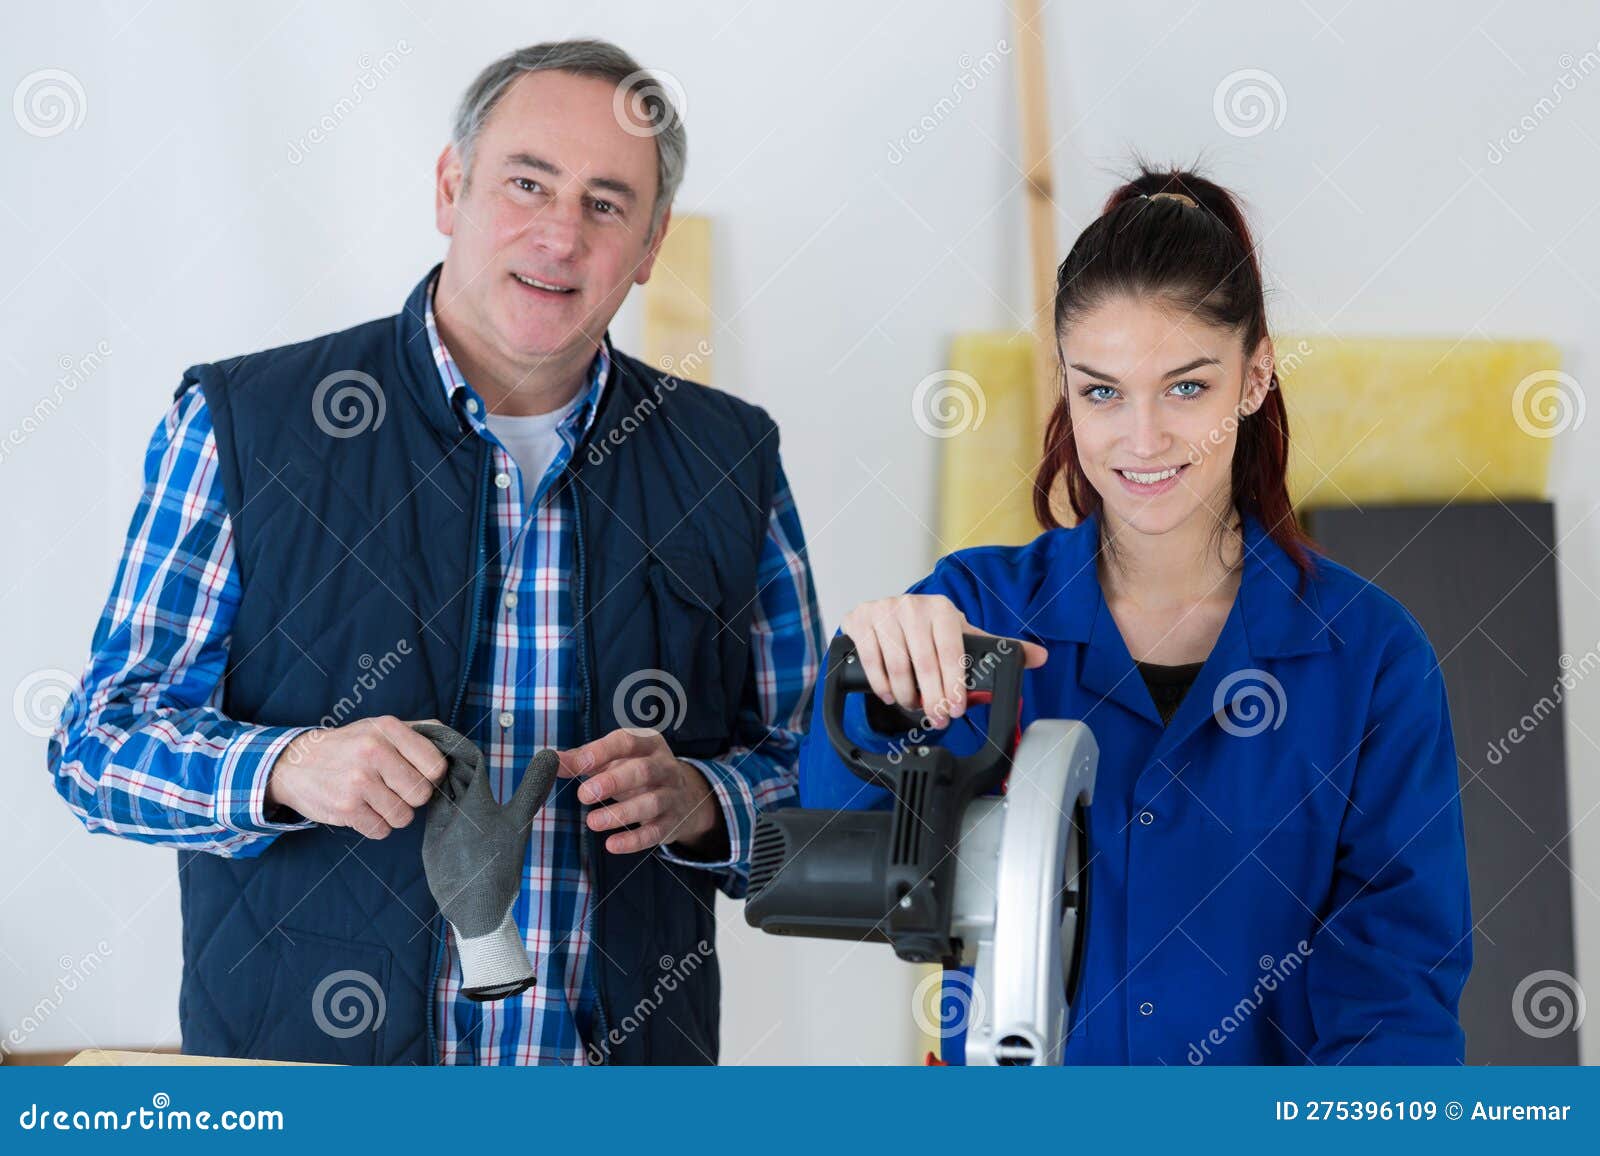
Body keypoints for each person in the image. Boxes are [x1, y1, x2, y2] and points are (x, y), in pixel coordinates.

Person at [48, 38, 822, 1065]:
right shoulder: (246, 424)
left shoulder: (729, 460)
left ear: (649, 245)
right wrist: (285, 767)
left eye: (604, 204)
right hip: (312, 1090)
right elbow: (97, 745)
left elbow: (819, 786)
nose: (558, 236)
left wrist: (702, 801)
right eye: (527, 183)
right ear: (451, 188)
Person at [799, 169, 1472, 1065]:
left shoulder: (1370, 658)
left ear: (1254, 377)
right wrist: (880, 693)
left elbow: (1396, 999)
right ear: (1067, 391)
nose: (1143, 439)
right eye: (1103, 392)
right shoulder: (978, 611)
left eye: (1186, 388)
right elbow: (852, 872)